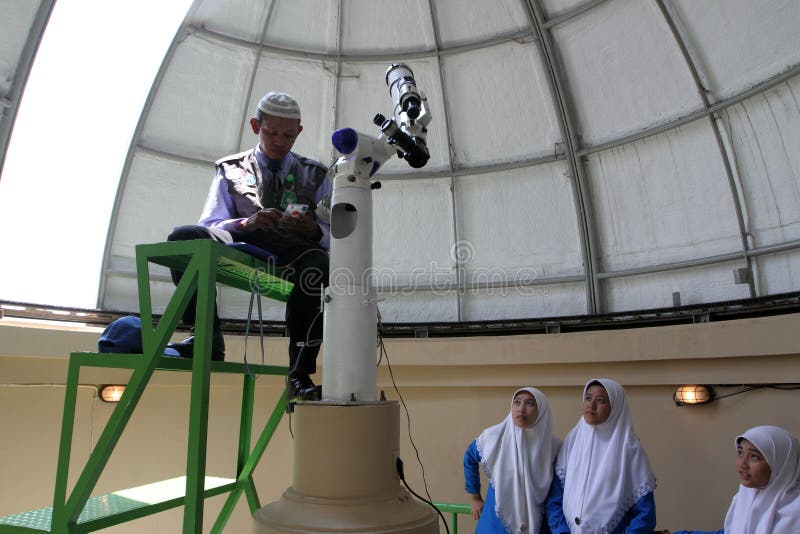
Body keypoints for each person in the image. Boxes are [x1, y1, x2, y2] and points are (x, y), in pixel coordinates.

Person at [166, 91, 331, 401]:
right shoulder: (229, 168)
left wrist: (312, 230)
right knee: (182, 239)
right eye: (272, 132)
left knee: (319, 265)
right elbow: (210, 223)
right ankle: (206, 338)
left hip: (293, 251)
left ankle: (299, 372)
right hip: (241, 242)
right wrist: (244, 224)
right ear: (256, 126)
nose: (280, 141)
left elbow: (337, 233)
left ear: (299, 132)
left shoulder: (317, 174)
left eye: (288, 135)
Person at [546, 378, 657, 533]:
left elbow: (645, 514)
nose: (591, 405)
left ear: (615, 407)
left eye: (601, 400)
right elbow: (555, 498)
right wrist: (562, 531)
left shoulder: (630, 449)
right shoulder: (573, 441)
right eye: (588, 398)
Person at [463, 387, 559, 533]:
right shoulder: (495, 437)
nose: (521, 409)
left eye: (530, 403)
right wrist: (475, 497)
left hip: (537, 520)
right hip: (496, 523)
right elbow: (469, 457)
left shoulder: (552, 448)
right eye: (517, 402)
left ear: (541, 410)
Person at [672, 425, 800, 534]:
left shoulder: (795, 509)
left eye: (754, 457)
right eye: (740, 453)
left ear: (781, 463)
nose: (742, 464)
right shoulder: (745, 496)